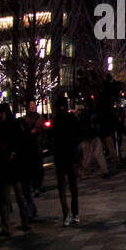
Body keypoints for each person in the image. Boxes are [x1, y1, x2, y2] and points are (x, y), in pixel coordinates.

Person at [0, 104, 30, 234]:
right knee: (15, 196)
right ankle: (21, 221)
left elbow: (17, 143)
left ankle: (8, 226)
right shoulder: (11, 125)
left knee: (10, 197)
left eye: (1, 113)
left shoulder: (5, 126)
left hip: (9, 166)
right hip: (11, 167)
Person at [50, 95, 81, 226]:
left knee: (62, 188)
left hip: (60, 157)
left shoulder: (56, 120)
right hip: (71, 156)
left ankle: (66, 214)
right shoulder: (72, 118)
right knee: (73, 187)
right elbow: (79, 135)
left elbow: (51, 139)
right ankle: (75, 214)